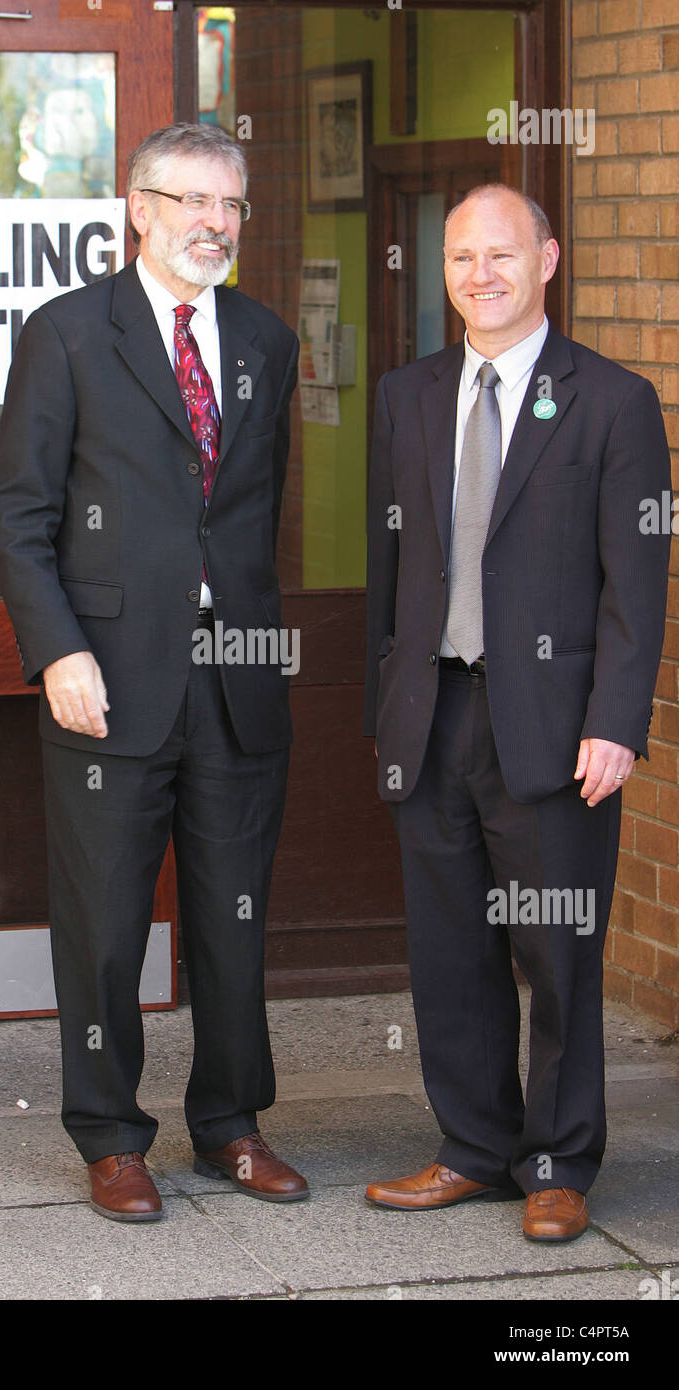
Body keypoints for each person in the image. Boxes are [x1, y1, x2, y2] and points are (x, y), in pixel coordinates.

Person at [0, 122, 306, 1222]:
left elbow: (257, 513)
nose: (213, 224)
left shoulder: (266, 340)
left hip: (235, 683)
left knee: (234, 919)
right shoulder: (70, 334)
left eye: (230, 206)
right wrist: (59, 649)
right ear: (138, 206)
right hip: (105, 679)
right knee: (106, 924)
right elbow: (18, 516)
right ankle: (111, 1135)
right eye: (191, 202)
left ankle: (230, 1124)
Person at [363, 183, 671, 1242]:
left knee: (556, 951)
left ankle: (556, 1162)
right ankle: (471, 1148)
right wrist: (384, 706)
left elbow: (635, 582)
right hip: (432, 714)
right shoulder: (405, 394)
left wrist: (615, 722)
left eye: (500, 254)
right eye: (458, 257)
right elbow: (386, 569)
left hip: (551, 725)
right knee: (448, 948)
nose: (479, 274)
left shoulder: (612, 400)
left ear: (546, 259)